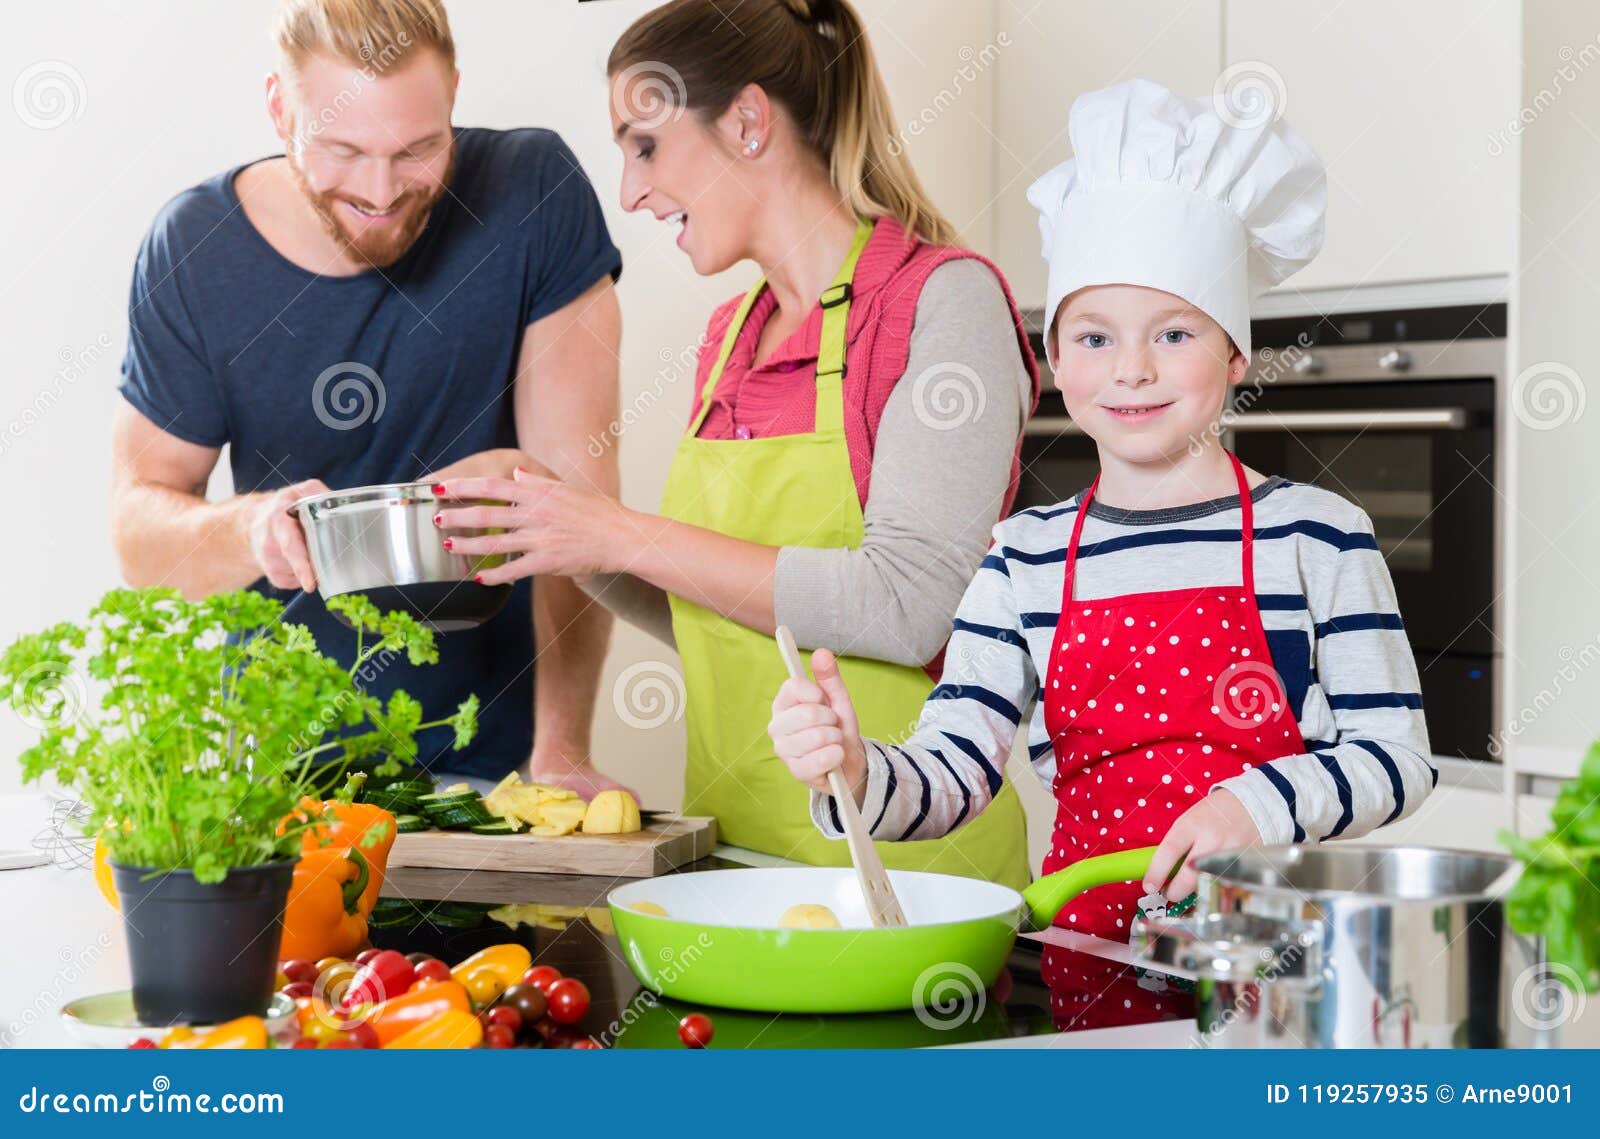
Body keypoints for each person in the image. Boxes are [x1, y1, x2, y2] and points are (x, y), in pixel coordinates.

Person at [768, 79, 1435, 930]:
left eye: (1174, 333)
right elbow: (957, 766)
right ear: (1053, 359)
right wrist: (858, 772)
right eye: (1095, 337)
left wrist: (1256, 806)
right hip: (1092, 970)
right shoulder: (1021, 558)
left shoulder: (1317, 536)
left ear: (1235, 355)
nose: (1132, 370)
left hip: (1279, 973)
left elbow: (1396, 756)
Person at [431, 0, 1037, 887]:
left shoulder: (943, 305)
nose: (631, 191)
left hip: (916, 881)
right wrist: (555, 523)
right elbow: (723, 621)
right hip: (740, 869)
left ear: (749, 122)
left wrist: (618, 531)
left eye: (644, 145)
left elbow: (912, 608)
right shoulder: (730, 338)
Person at [110, 0, 624, 789]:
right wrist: (251, 528)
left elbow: (583, 509)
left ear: (453, 93)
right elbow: (139, 537)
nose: (382, 191)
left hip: (497, 777)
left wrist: (563, 750)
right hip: (281, 782)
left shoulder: (533, 195)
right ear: (281, 108)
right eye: (343, 150)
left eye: (418, 149)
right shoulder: (195, 251)